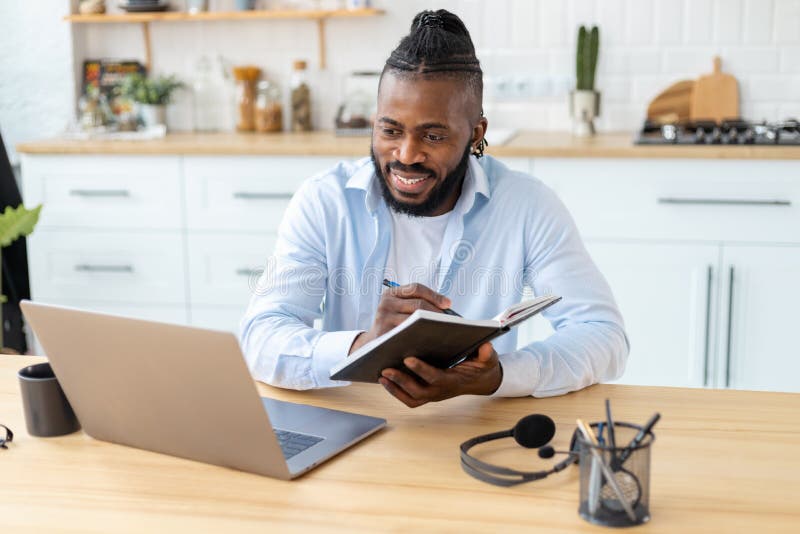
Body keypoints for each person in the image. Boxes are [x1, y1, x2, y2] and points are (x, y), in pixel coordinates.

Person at [240, 9, 628, 408]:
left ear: (476, 133)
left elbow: (603, 336)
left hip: (471, 424)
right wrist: (363, 346)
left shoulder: (527, 206)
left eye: (433, 135)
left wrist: (497, 377)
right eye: (390, 130)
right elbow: (260, 336)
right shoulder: (325, 201)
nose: (406, 154)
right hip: (351, 424)